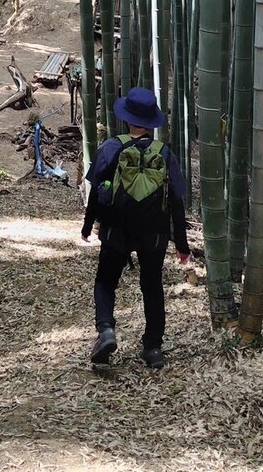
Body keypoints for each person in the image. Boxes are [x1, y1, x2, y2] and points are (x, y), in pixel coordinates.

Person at [81, 86, 190, 369]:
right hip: (154, 234)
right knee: (152, 285)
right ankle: (153, 347)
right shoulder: (164, 154)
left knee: (106, 281)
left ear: (127, 118)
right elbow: (176, 201)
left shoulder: (112, 147)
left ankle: (105, 330)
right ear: (151, 121)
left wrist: (88, 225)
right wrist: (181, 244)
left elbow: (96, 190)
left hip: (116, 229)